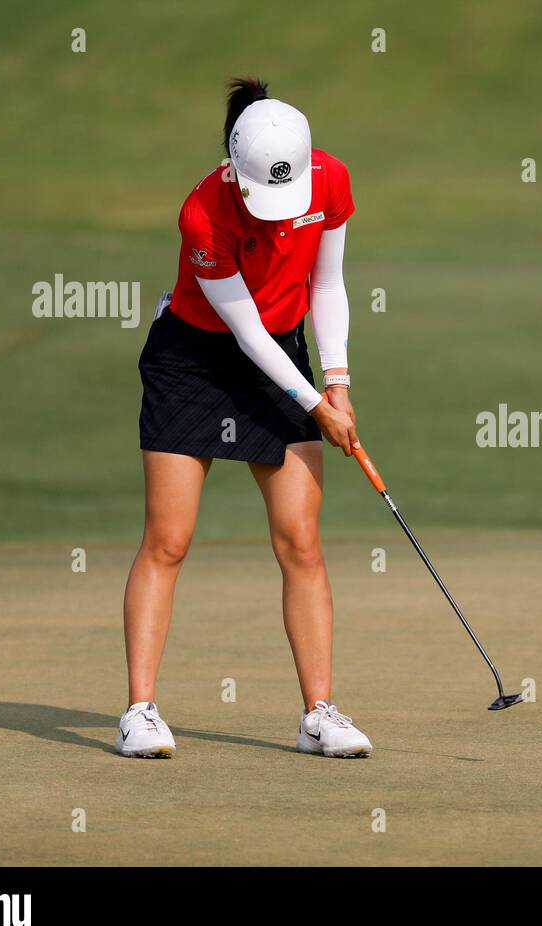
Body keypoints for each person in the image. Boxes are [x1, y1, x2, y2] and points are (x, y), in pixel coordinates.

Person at [117, 78, 371, 759]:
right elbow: (245, 332)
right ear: (236, 170)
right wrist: (315, 403)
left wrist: (338, 383)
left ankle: (319, 712)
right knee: (168, 539)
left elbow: (328, 283)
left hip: (281, 355)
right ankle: (140, 712)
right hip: (193, 361)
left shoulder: (331, 181)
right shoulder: (204, 213)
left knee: (301, 538)